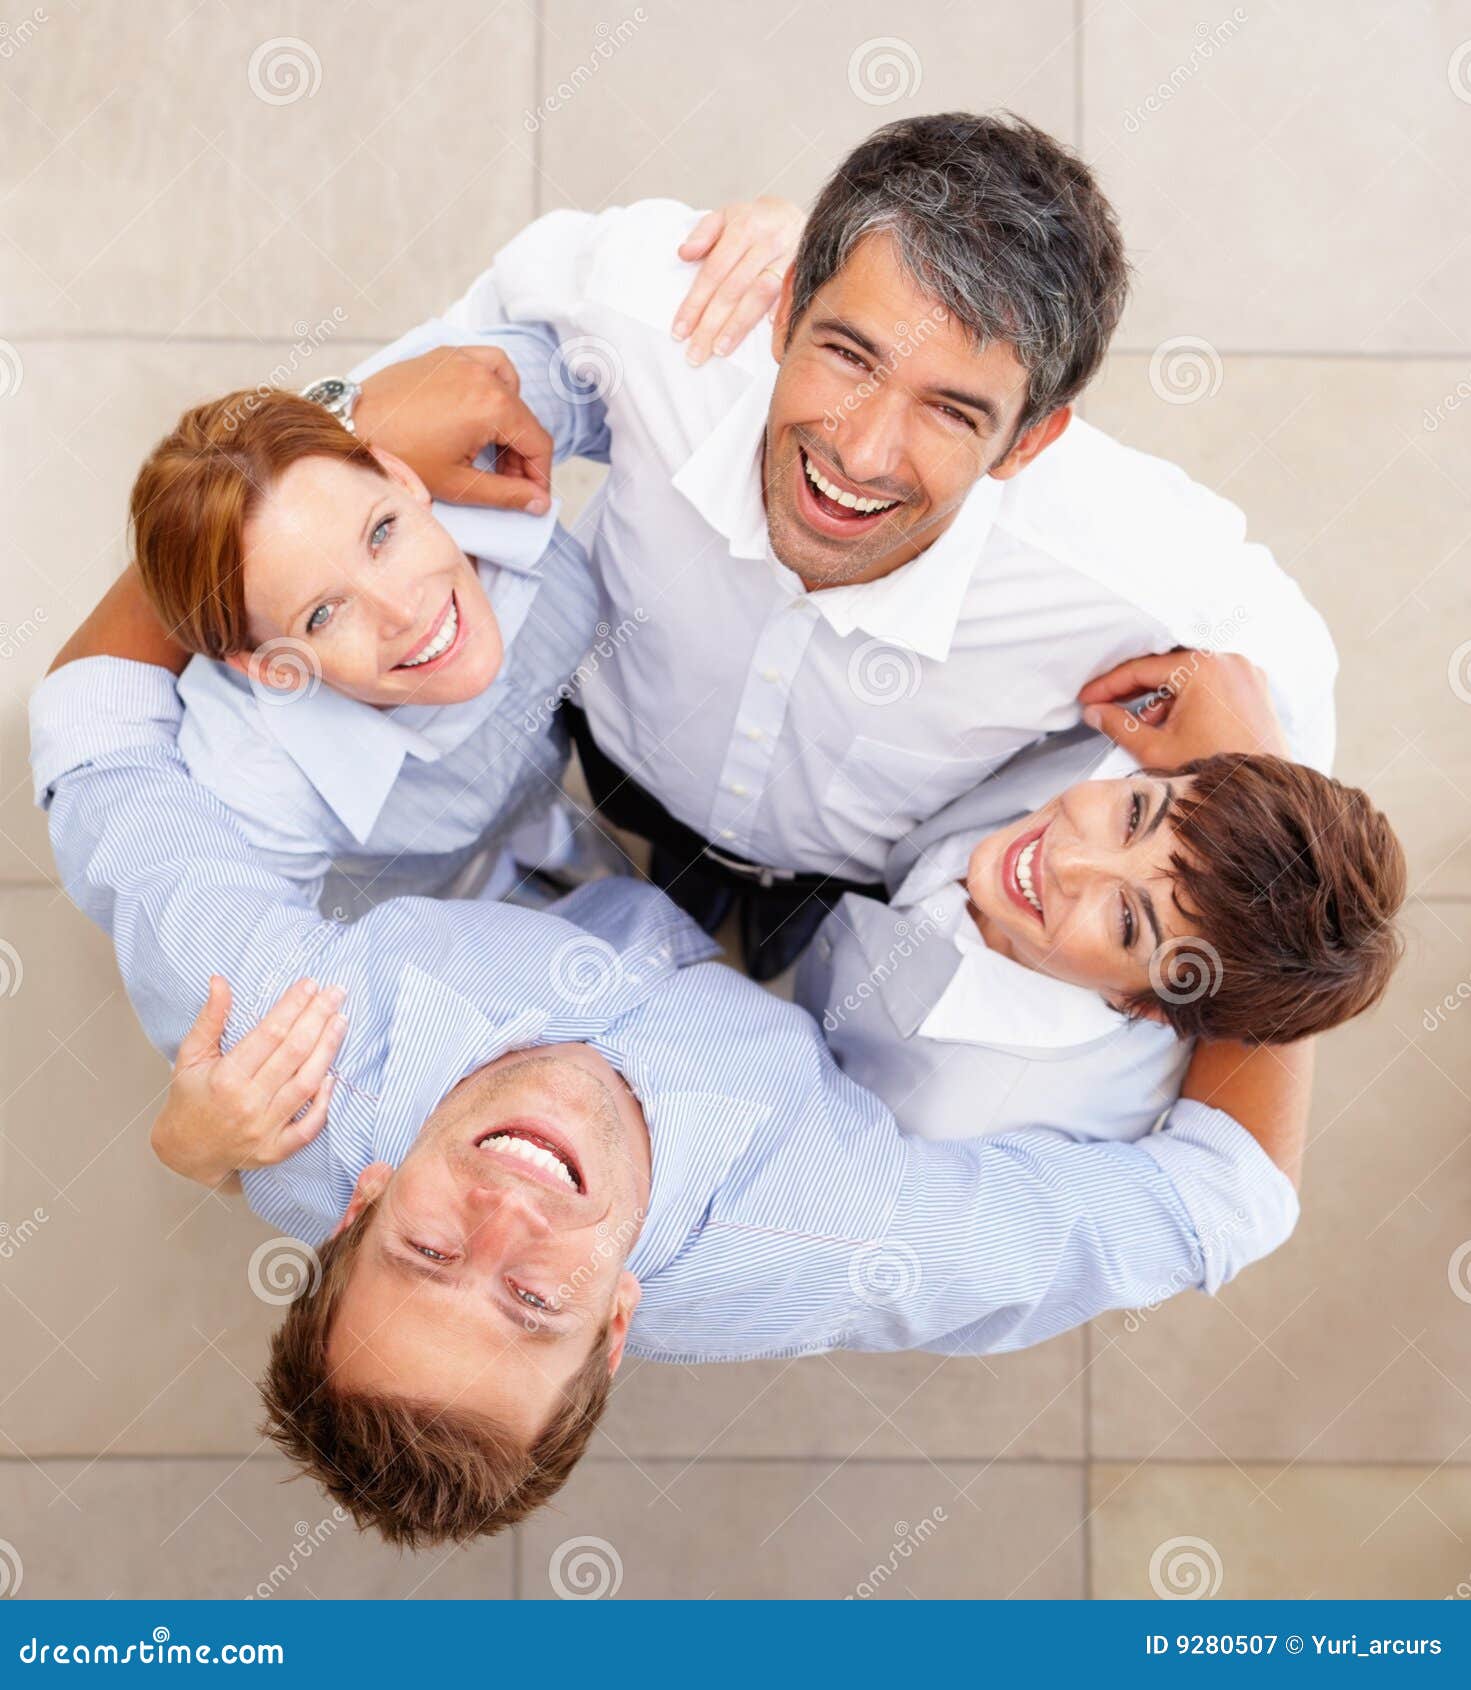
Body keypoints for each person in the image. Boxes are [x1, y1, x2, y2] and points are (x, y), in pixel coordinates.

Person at [32, 635, 1307, 1549]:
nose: (504, 1217)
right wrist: (1261, 823)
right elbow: (1220, 1200)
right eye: (532, 1299)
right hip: (794, 992)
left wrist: (201, 1149)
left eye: (426, 1249)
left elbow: (97, 744)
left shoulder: (281, 1053)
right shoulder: (835, 1231)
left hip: (498, 869)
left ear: (359, 1199)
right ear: (618, 1322)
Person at [337, 112, 1340, 978]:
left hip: (833, 877)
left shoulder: (1115, 554)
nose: (861, 451)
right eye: (846, 352)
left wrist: (1249, 751)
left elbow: (1287, 656)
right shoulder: (665, 315)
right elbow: (492, 313)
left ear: (1028, 441)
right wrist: (350, 411)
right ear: (782, 310)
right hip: (608, 763)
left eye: (950, 411)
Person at [82, 203, 803, 914]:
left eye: (380, 533)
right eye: (323, 612)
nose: (404, 609)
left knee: (584, 852)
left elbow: (624, 353)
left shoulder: (486, 479)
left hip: (538, 795)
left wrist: (780, 247)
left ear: (401, 477)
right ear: (272, 665)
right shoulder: (258, 791)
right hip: (419, 898)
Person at [800, 653, 1405, 1141]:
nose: (1069, 859)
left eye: (1124, 920)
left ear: (1143, 1007)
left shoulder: (955, 1114)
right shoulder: (1198, 729)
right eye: (1135, 814)